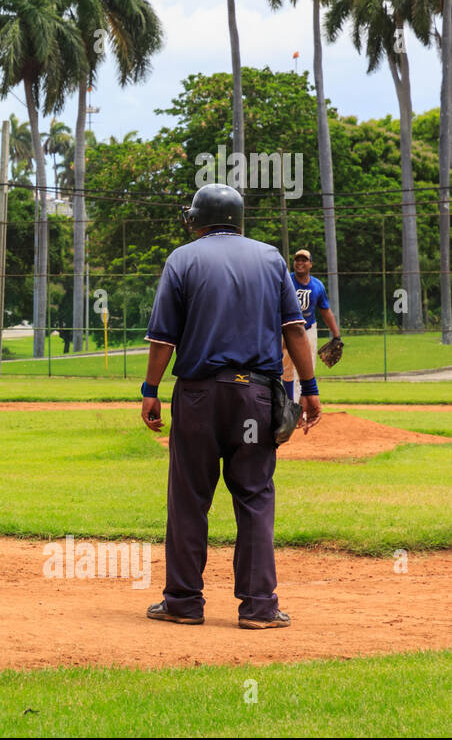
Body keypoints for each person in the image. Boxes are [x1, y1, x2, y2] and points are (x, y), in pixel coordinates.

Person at [140, 184, 322, 630]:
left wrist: (150, 388)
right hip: (254, 398)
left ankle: (183, 602)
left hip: (199, 396)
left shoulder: (182, 259)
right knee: (255, 498)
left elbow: (164, 337)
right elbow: (294, 330)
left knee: (189, 499)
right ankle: (259, 607)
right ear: (238, 219)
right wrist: (310, 387)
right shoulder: (270, 258)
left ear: (199, 218)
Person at [281, 249, 341, 401]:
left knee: (307, 368)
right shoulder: (286, 281)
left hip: (309, 330)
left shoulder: (317, 286)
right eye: (297, 260)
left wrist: (336, 335)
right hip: (287, 330)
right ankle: (289, 405)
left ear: (311, 264)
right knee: (287, 369)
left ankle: (303, 406)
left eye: (304, 260)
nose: (300, 263)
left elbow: (325, 311)